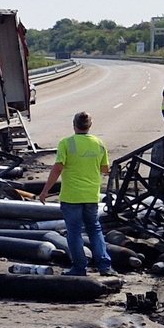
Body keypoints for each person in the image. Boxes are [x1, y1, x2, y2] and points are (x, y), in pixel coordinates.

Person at [41, 111, 114, 276]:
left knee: (74, 232)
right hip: (91, 195)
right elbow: (105, 169)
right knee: (95, 230)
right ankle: (105, 266)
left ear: (74, 125)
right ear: (90, 125)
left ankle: (79, 267)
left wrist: (45, 190)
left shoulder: (66, 143)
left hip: (71, 196)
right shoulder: (99, 144)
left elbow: (58, 168)